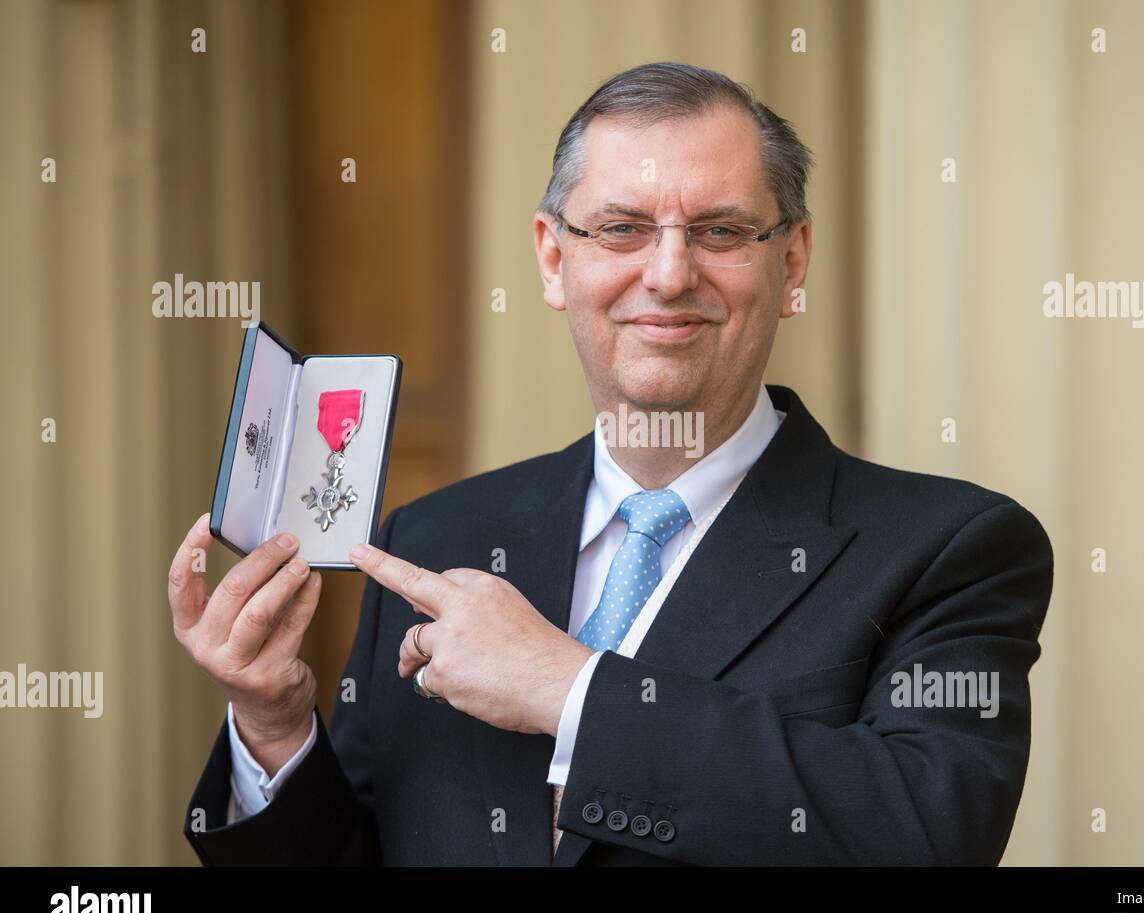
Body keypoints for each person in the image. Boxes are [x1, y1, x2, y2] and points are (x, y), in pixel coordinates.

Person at [170, 61, 1053, 866]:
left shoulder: (950, 548)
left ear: (794, 262)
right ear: (555, 259)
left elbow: (929, 835)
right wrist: (275, 728)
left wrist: (571, 689)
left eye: (720, 230)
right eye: (623, 229)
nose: (669, 275)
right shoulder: (436, 538)